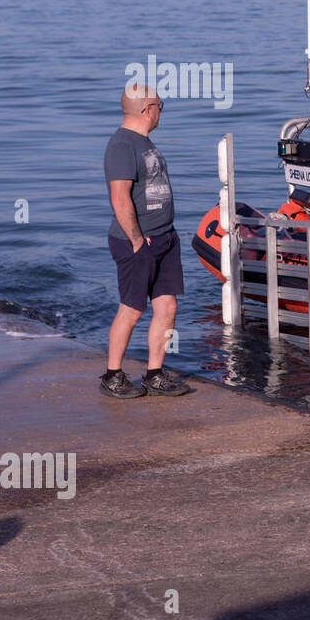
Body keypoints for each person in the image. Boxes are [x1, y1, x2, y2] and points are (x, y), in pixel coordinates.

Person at [101, 85, 189, 398]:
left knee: (167, 306)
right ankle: (112, 374)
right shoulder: (123, 145)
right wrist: (137, 240)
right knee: (132, 308)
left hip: (164, 238)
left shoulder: (143, 142)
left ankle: (154, 373)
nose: (162, 110)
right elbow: (119, 197)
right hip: (138, 241)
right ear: (146, 109)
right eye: (160, 104)